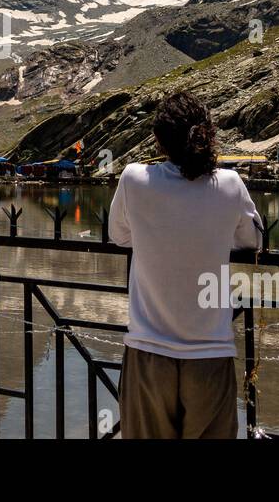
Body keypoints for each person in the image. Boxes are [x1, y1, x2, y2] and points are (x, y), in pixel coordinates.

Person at [109, 90, 260, 439]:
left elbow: (119, 235)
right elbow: (252, 240)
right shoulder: (230, 184)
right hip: (210, 356)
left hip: (148, 354)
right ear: (207, 136)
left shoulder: (134, 179)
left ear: (160, 141)